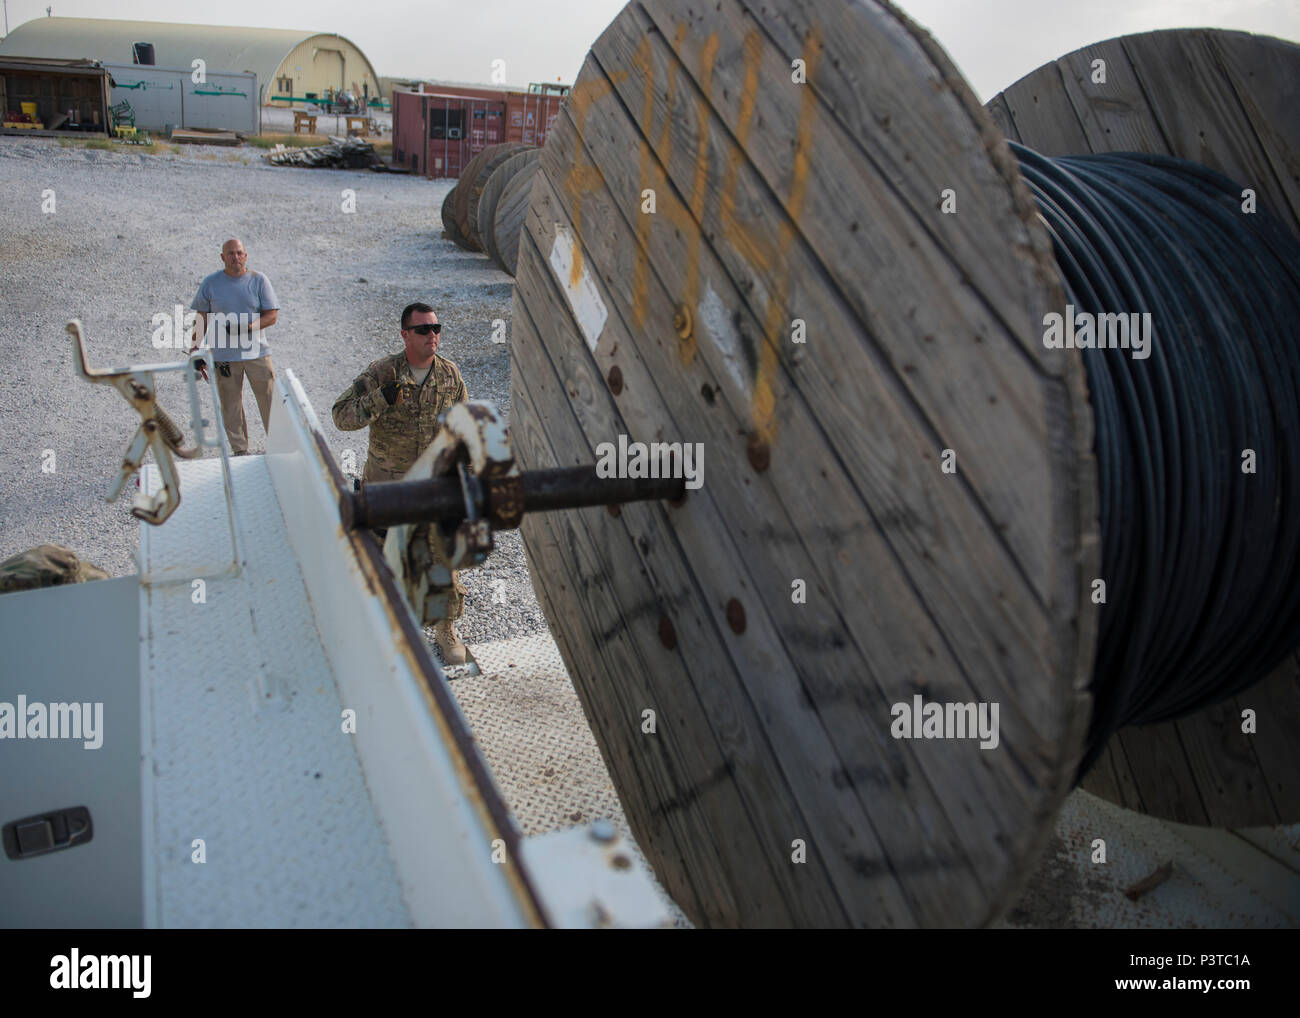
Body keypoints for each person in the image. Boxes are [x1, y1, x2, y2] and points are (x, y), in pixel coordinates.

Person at [332, 302, 470, 664]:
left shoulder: (450, 376)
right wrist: (381, 398)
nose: (433, 335)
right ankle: (379, 629)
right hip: (387, 489)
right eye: (423, 329)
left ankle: (445, 629)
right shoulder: (382, 372)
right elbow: (341, 416)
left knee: (442, 555)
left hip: (432, 487)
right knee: (382, 563)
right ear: (405, 334)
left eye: (437, 328)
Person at [189, 238, 280, 455]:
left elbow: (272, 315)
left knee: (270, 401)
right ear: (222, 257)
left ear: (246, 255)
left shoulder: (259, 281)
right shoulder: (211, 283)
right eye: (230, 253)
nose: (235, 257)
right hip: (224, 356)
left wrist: (249, 327)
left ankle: (278, 446)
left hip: (256, 353)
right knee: (230, 404)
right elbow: (201, 317)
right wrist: (195, 350)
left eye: (239, 253)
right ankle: (240, 450)